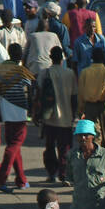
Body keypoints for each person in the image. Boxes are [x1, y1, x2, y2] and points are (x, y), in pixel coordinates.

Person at [0, 43, 35, 192]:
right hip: (20, 113)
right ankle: (1, 179)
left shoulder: (0, 68)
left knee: (15, 148)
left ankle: (21, 180)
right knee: (13, 147)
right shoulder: (22, 70)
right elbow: (31, 89)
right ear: (19, 55)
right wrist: (32, 109)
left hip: (6, 114)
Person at [36, 45, 77, 183]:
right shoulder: (70, 73)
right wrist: (74, 115)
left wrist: (37, 114)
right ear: (62, 59)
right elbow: (74, 97)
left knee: (50, 147)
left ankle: (52, 173)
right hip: (66, 118)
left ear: (50, 58)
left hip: (49, 118)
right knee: (65, 148)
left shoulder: (44, 73)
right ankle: (64, 174)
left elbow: (39, 95)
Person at [78, 45, 105, 157]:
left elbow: (80, 93)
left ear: (92, 57)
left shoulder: (85, 72)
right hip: (104, 107)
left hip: (89, 107)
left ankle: (92, 157)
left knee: (92, 135)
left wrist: (80, 110)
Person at [24, 10, 61, 76]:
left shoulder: (32, 36)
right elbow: (60, 54)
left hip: (34, 68)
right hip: (50, 67)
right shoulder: (54, 35)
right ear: (47, 27)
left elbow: (25, 54)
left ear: (38, 27)